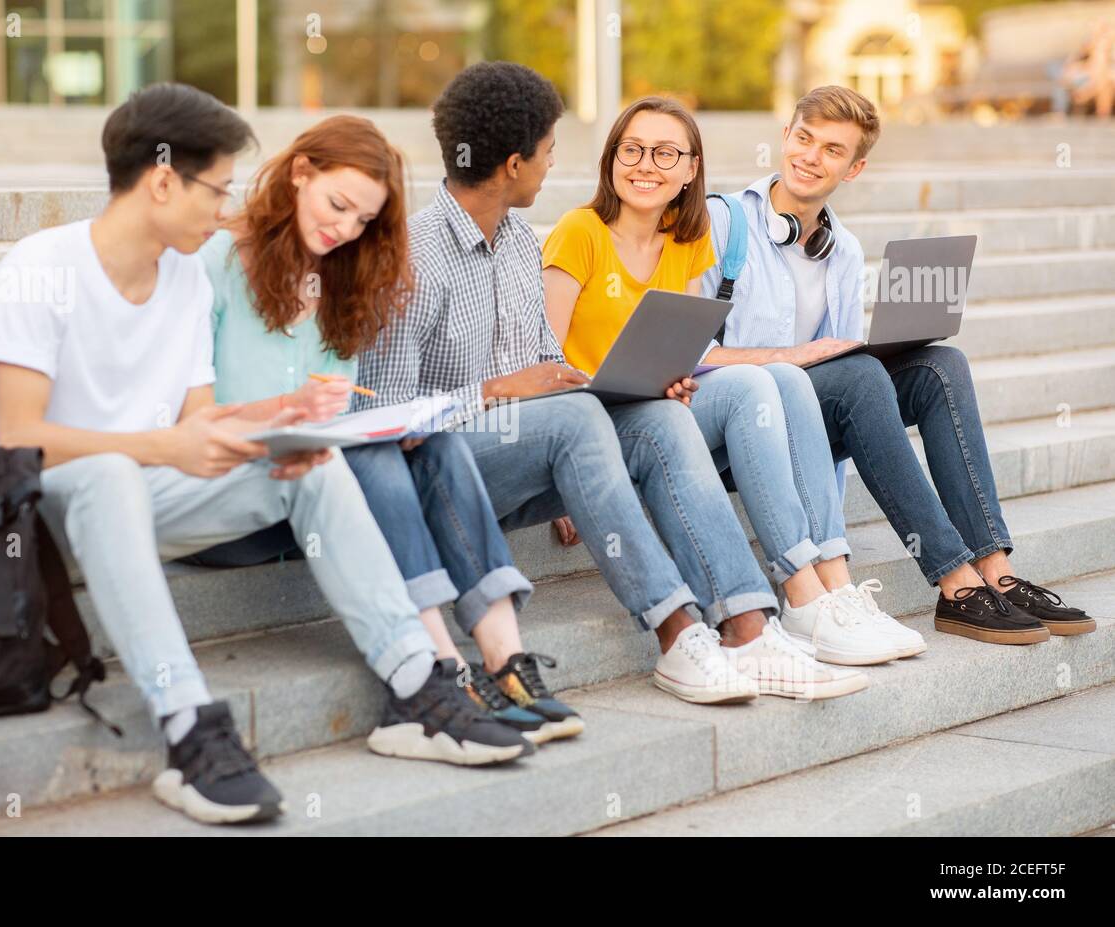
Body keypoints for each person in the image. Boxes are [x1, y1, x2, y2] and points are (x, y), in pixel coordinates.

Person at [0, 84, 530, 828]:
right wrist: (165, 446)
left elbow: (200, 421)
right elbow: (15, 440)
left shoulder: (185, 275)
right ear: (162, 180)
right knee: (109, 476)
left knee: (311, 468)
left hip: (141, 492)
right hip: (24, 504)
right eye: (216, 187)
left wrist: (280, 426)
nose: (226, 209)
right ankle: (190, 725)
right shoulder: (44, 266)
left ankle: (416, 685)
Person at [357, 62, 869, 704]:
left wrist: (637, 386)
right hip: (446, 464)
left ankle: (746, 627)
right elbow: (380, 415)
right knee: (579, 420)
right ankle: (677, 631)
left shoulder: (519, 241)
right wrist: (495, 393)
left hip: (534, 447)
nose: (552, 166)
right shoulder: (410, 255)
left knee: (659, 416)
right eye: (546, 153)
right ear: (514, 163)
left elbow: (552, 370)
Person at [187, 114, 582, 745]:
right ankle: (439, 674)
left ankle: (506, 663)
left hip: (320, 487)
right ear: (299, 174)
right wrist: (289, 409)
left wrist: (386, 423)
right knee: (371, 460)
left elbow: (340, 412)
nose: (344, 229)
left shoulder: (341, 277)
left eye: (363, 221)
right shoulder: (214, 265)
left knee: (434, 440)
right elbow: (187, 420)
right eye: (337, 205)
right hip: (236, 492)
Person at [700, 85, 1096, 644]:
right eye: (805, 138)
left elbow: (832, 378)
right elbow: (688, 357)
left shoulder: (844, 250)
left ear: (854, 169)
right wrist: (789, 357)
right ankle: (954, 581)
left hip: (804, 419)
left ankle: (996, 571)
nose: (811, 157)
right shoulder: (721, 223)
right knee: (858, 375)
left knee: (941, 366)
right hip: (738, 426)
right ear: (785, 136)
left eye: (832, 150)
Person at [542, 96, 924, 664]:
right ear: (611, 158)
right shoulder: (579, 231)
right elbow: (541, 358)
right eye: (633, 149)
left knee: (783, 380)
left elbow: (688, 352)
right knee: (757, 380)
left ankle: (826, 592)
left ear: (691, 169)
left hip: (659, 408)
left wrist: (693, 376)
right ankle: (800, 592)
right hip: (592, 425)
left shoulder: (689, 241)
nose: (646, 164)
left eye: (666, 153)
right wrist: (563, 473)